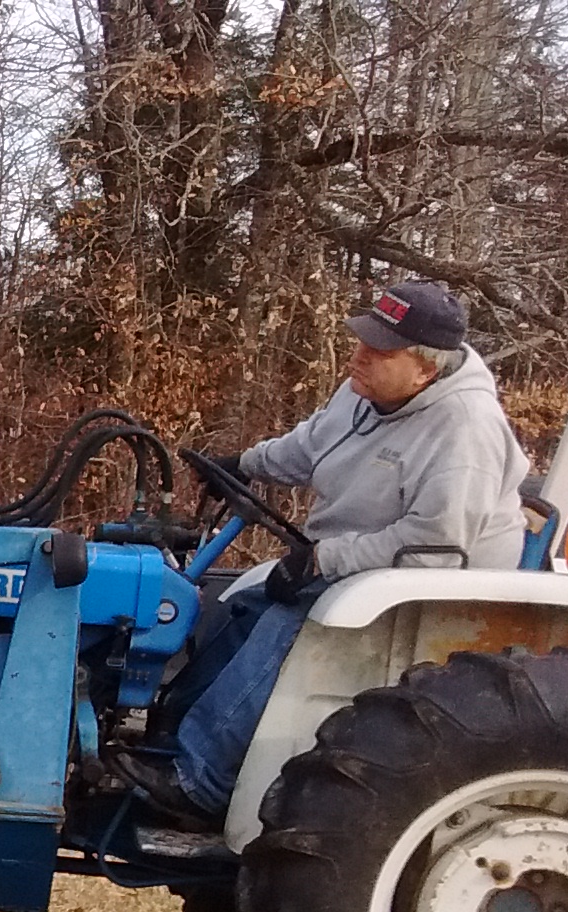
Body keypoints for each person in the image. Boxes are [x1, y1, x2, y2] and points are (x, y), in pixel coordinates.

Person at [111, 279, 530, 829]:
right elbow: (311, 447)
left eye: (379, 351)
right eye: (363, 340)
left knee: (289, 627)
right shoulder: (368, 391)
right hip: (362, 560)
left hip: (435, 584)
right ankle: (167, 739)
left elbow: (436, 545)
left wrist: (323, 561)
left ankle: (201, 784)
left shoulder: (465, 430)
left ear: (426, 369)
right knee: (240, 608)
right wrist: (244, 463)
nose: (359, 357)